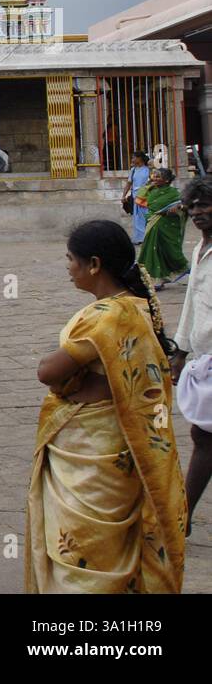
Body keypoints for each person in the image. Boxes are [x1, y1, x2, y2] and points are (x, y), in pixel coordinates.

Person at [26, 219, 185, 593]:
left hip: (93, 450)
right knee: (118, 548)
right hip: (121, 448)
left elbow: (47, 371)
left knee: (79, 551)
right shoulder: (138, 305)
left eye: (70, 259)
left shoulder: (106, 316)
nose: (67, 267)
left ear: (93, 264)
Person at [174, 175, 212, 532]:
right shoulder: (200, 248)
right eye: (194, 205)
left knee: (204, 438)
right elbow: (191, 302)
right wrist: (181, 350)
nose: (198, 211)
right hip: (204, 357)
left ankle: (181, 516)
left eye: (205, 205)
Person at [136, 168, 189, 288]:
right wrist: (148, 186)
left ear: (166, 180)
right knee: (153, 249)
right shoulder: (151, 190)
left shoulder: (174, 193)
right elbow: (139, 200)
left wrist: (178, 208)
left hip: (167, 225)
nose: (154, 178)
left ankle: (184, 268)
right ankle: (157, 279)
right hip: (152, 223)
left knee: (169, 250)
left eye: (158, 177)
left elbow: (185, 207)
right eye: (154, 176)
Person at [124, 151, 152, 245]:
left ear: (139, 158)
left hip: (146, 196)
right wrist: (123, 195)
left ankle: (147, 237)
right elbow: (129, 183)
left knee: (146, 216)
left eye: (134, 157)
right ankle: (140, 238)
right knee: (137, 218)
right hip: (136, 197)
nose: (132, 159)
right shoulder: (133, 170)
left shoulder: (149, 170)